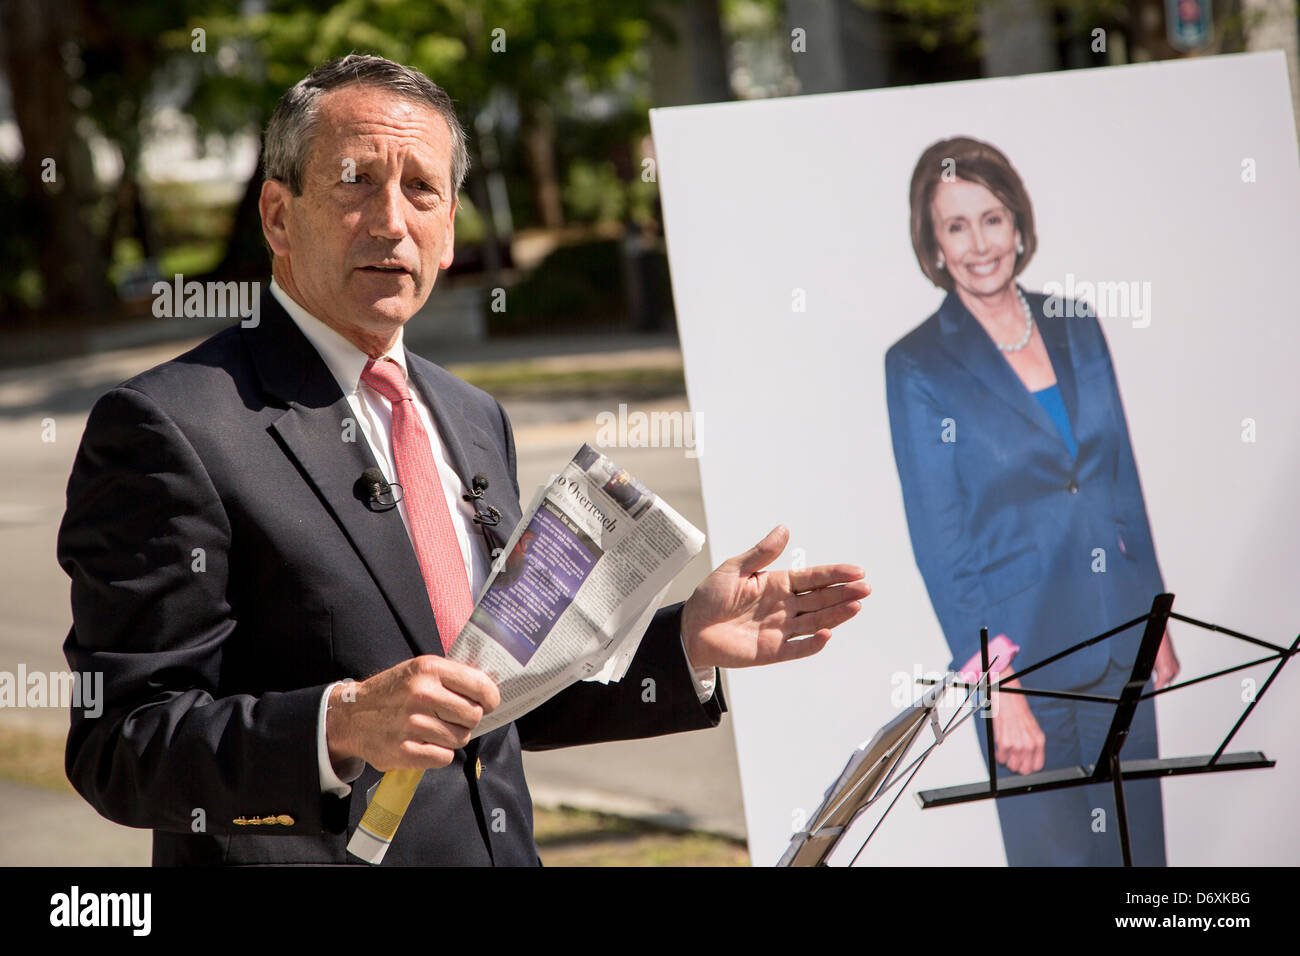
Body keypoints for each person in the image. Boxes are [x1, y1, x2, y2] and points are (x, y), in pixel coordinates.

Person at [57, 55, 870, 866]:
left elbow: (497, 693)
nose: (390, 220)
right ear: (277, 216)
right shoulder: (168, 426)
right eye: (354, 182)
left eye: (421, 191)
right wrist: (337, 725)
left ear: (449, 232)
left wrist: (685, 643)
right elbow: (122, 746)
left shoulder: (473, 417)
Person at [884, 136, 1178, 866]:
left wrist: (1154, 618)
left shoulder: (1077, 322)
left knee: (1144, 873)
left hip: (1120, 647)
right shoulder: (918, 365)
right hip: (1026, 674)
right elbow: (940, 542)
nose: (979, 243)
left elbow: (1119, 483)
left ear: (1017, 223)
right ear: (935, 245)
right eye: (956, 226)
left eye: (991, 218)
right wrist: (998, 688)